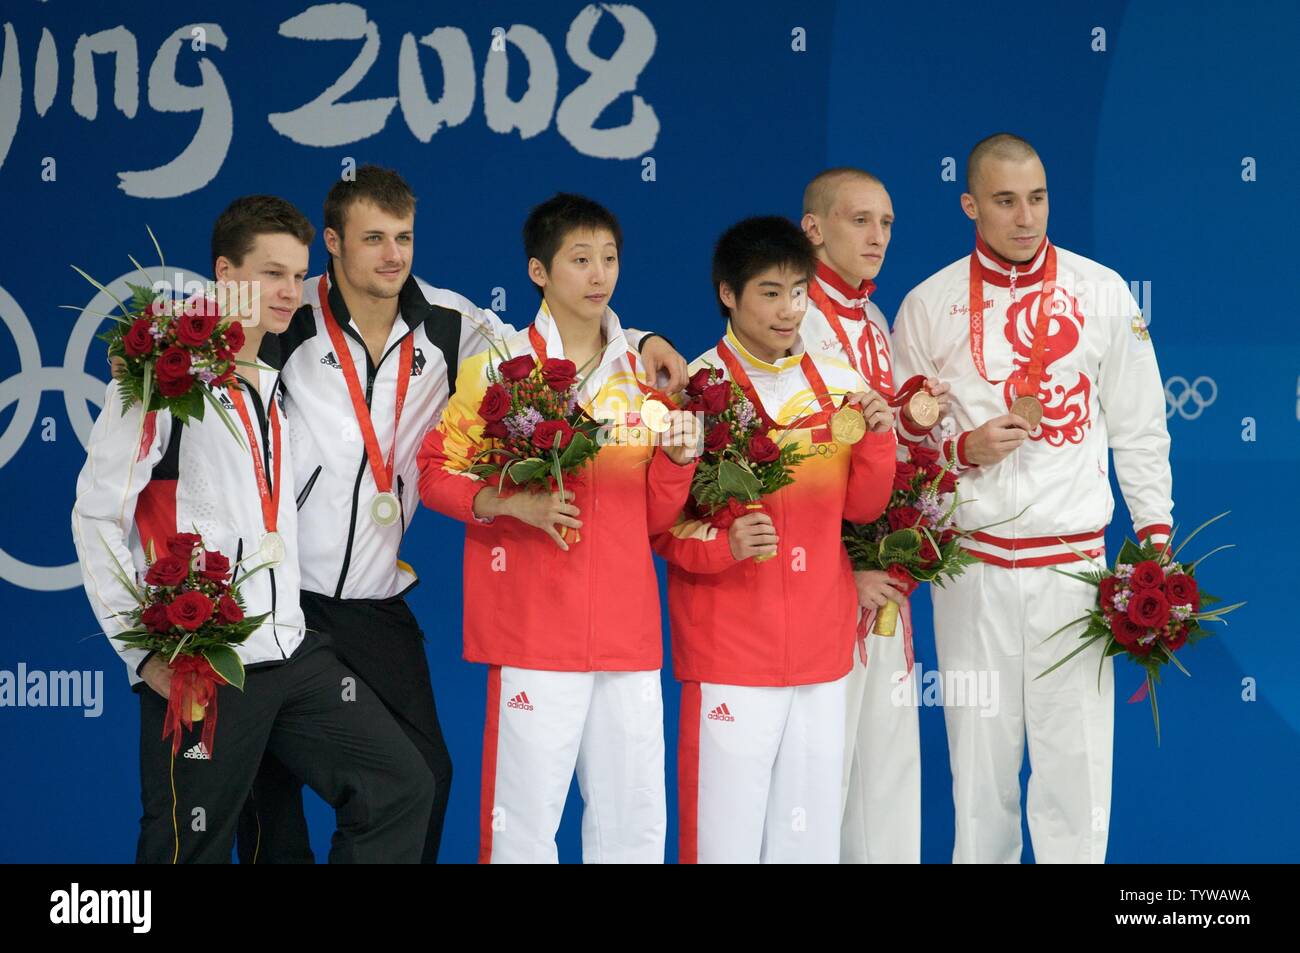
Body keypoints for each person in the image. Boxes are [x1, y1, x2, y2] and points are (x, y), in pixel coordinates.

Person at [239, 168, 689, 863]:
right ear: (332, 243)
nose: (393, 254)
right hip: (281, 594)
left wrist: (644, 335)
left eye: (404, 237)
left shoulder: (454, 325)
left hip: (371, 593)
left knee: (422, 777)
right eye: (373, 239)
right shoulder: (286, 319)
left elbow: (550, 336)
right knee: (266, 788)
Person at [73, 195, 434, 863]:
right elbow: (97, 512)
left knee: (401, 783)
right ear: (223, 272)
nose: (288, 292)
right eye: (271, 274)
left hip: (292, 653)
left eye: (298, 276)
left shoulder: (270, 383)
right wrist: (144, 655)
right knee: (189, 844)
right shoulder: (164, 374)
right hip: (208, 663)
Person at [890, 133, 1174, 863]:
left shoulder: (1102, 292)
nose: (1026, 218)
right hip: (972, 575)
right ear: (969, 204)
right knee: (979, 782)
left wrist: (1156, 547)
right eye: (1006, 201)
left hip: (1074, 577)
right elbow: (894, 449)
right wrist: (960, 449)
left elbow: (1141, 430)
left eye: (1038, 198)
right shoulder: (929, 304)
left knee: (1076, 786)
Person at [418, 192, 701, 863]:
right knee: (523, 827)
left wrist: (681, 460)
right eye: (579, 259)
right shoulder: (497, 370)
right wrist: (509, 504)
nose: (599, 273)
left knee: (634, 827)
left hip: (628, 636)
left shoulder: (646, 375)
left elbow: (656, 519)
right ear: (539, 272)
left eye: (608, 257)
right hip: (534, 629)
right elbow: (434, 476)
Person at [654, 216, 896, 863]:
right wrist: (724, 544)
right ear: (728, 294)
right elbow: (661, 525)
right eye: (770, 292)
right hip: (730, 653)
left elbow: (865, 507)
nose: (790, 309)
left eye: (799, 291)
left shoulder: (841, 385)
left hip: (821, 651)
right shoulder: (695, 392)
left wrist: (877, 436)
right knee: (723, 844)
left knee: (808, 843)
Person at [800, 166, 951, 864]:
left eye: (887, 222)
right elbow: (788, 470)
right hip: (825, 588)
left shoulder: (874, 319)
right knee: (818, 783)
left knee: (887, 776)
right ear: (814, 227)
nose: (878, 235)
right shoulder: (794, 317)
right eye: (861, 219)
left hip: (883, 578)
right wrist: (842, 568)